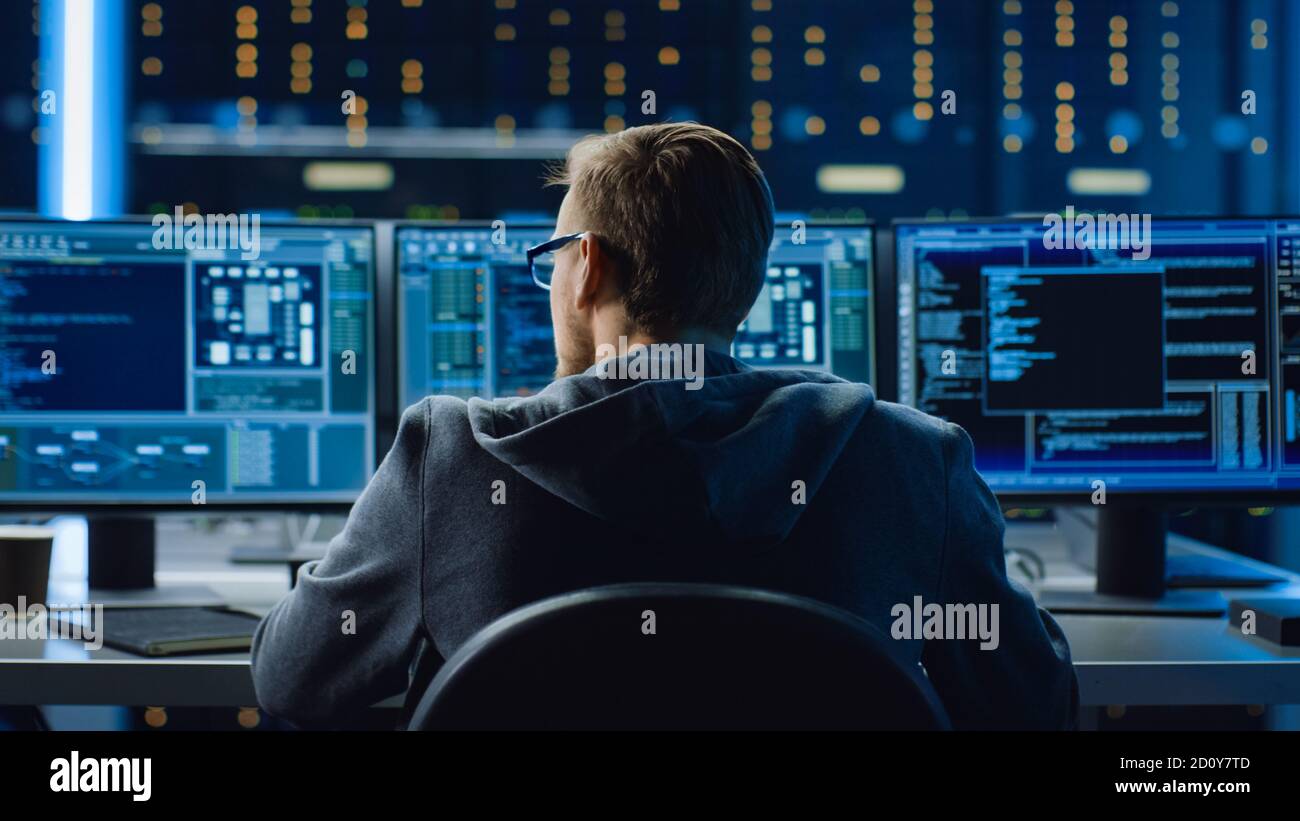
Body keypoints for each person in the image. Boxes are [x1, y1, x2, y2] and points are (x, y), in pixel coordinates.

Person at [251, 122, 1077, 730]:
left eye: (554, 256)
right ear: (748, 283)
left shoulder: (452, 459)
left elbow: (290, 679)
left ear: (590, 270)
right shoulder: (912, 459)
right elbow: (1034, 704)